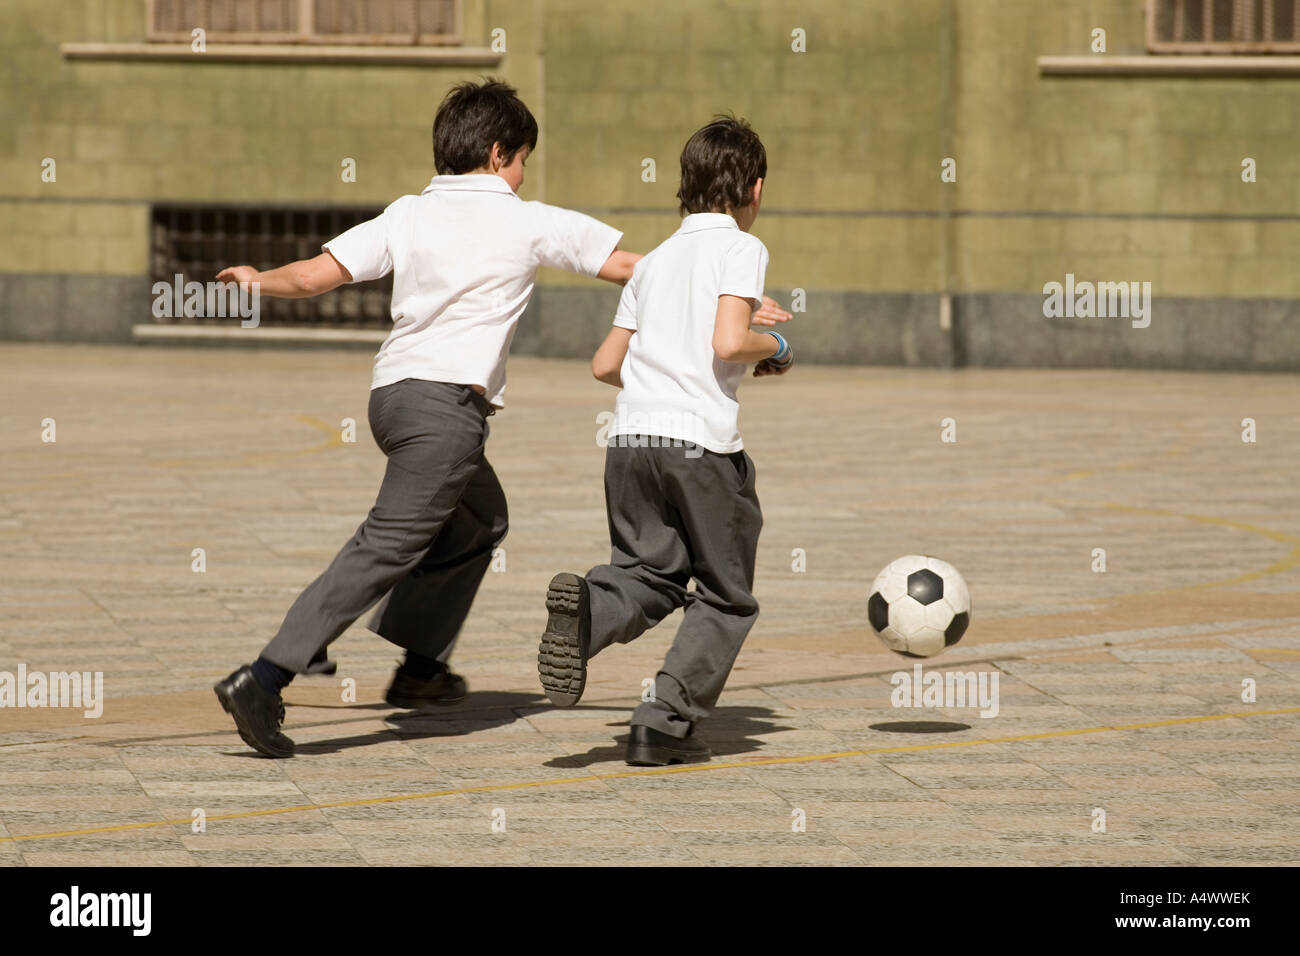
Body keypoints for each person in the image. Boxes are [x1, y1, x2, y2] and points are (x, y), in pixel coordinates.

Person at [212, 79, 638, 758]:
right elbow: (627, 266)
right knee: (383, 547)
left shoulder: (408, 213)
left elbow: (317, 276)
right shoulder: (527, 219)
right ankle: (263, 679)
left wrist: (259, 279)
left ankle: (420, 668)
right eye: (523, 158)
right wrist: (718, 290)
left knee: (479, 519)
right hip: (445, 414)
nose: (524, 173)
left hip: (394, 399)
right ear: (500, 153)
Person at [537, 116, 794, 766]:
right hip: (699, 445)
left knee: (647, 573)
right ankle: (664, 720)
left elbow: (605, 364)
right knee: (725, 595)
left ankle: (589, 612)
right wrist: (780, 348)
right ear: (754, 189)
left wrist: (674, 363)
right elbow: (730, 341)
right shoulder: (741, 246)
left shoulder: (652, 262)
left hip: (629, 438)